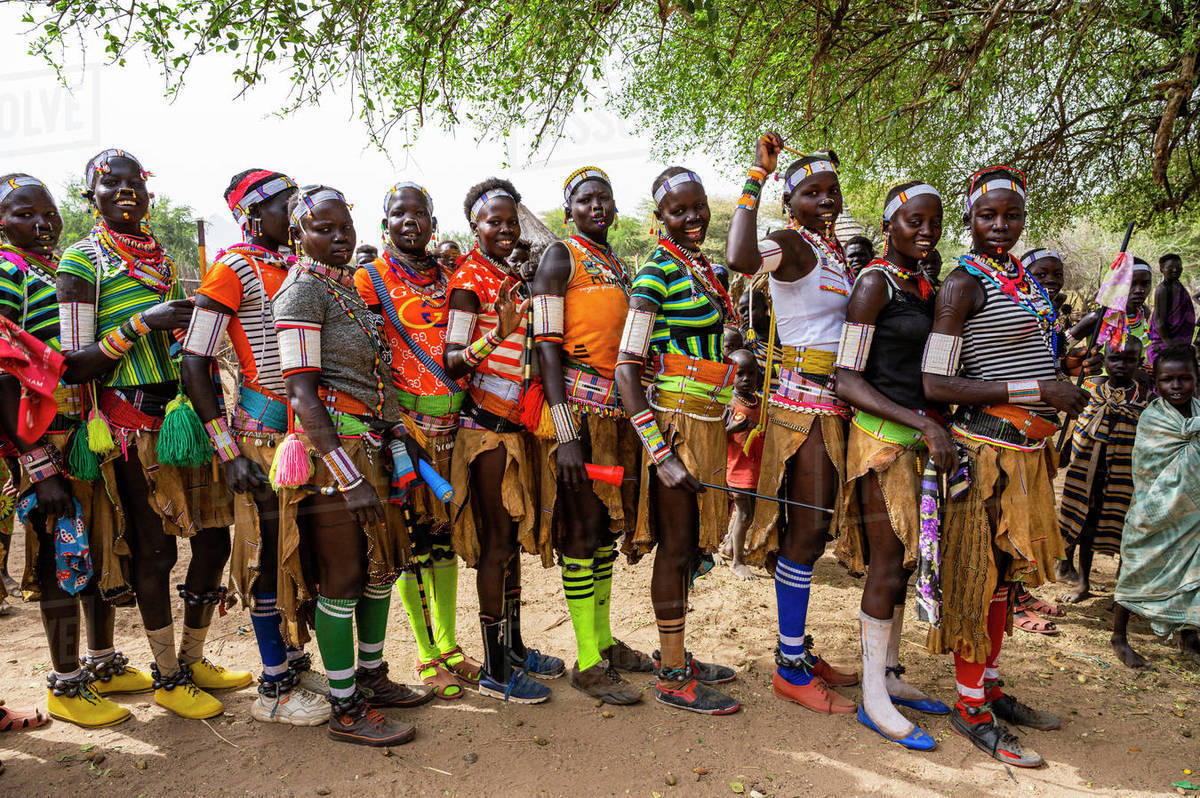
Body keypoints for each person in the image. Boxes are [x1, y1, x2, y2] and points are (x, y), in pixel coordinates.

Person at [57, 149, 250, 720]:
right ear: (90, 193)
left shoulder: (159, 257)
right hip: (129, 427)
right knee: (156, 549)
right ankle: (166, 676)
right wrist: (146, 323)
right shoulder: (81, 260)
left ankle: (193, 660)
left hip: (183, 418)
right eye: (109, 183)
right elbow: (73, 364)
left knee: (214, 539)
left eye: (133, 182)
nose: (124, 191)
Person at [921, 165, 1088, 768]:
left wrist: (1062, 369)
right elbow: (935, 381)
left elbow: (1025, 349)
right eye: (987, 215)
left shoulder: (1026, 279)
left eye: (1011, 215)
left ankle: (988, 689)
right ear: (969, 218)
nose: (999, 226)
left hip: (1025, 454)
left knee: (1006, 580)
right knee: (977, 578)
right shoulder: (961, 284)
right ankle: (970, 710)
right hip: (982, 452)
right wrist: (1035, 390)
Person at [272, 184, 433, 746]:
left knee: (379, 572)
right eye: (325, 229)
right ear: (300, 235)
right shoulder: (300, 292)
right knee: (341, 580)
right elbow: (301, 394)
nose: (340, 237)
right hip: (332, 453)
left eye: (345, 228)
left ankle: (372, 678)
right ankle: (345, 708)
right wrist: (350, 476)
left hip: (369, 442)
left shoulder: (344, 290)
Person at [0, 173, 152, 728]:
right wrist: (38, 467)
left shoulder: (48, 266)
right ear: (1, 222)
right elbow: (4, 373)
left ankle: (101, 662)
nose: (42, 224)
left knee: (91, 545)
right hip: (39, 439)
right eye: (24, 215)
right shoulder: (7, 270)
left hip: (81, 432)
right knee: (56, 554)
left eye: (48, 214)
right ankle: (65, 682)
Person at [179, 169, 329, 726]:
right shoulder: (232, 269)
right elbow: (196, 359)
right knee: (266, 555)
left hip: (306, 436)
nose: (296, 217)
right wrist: (227, 450)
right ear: (253, 215)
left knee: (300, 552)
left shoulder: (301, 266)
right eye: (286, 206)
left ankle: (292, 658)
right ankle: (273, 687)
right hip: (263, 440)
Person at [725, 133, 859, 716]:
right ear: (791, 201)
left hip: (837, 407)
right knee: (804, 534)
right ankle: (787, 667)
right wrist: (756, 177)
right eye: (811, 192)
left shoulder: (833, 253)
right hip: (803, 410)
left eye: (831, 190)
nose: (825, 199)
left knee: (816, 531)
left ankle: (800, 650)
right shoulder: (788, 243)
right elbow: (739, 259)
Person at [613, 166, 739, 715]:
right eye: (679, 210)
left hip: (709, 420)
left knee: (690, 545)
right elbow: (626, 370)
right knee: (676, 545)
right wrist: (660, 455)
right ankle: (670, 674)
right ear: (659, 217)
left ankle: (678, 656)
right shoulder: (655, 274)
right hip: (677, 423)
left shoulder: (704, 269)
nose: (692, 217)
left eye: (699, 207)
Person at [833, 180, 953, 751]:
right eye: (914, 223)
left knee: (904, 562)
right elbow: (847, 377)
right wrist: (925, 422)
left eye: (934, 223)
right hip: (882, 441)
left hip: (922, 439)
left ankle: (890, 675)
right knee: (885, 562)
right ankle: (872, 700)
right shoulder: (873, 285)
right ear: (889, 227)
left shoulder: (928, 284)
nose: (926, 231)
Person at [353, 180, 482, 700]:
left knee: (445, 536)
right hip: (403, 431)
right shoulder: (370, 280)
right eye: (399, 214)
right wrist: (386, 427)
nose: (410, 222)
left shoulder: (451, 276)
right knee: (412, 540)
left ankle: (450, 644)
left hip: (455, 426)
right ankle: (428, 655)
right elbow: (367, 356)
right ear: (385, 224)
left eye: (420, 214)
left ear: (433, 222)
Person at [530, 166, 650, 705]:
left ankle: (602, 640)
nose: (597, 207)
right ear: (569, 210)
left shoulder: (616, 264)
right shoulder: (562, 257)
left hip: (613, 417)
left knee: (602, 529)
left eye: (605, 198)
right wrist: (564, 432)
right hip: (575, 416)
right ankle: (585, 660)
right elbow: (545, 348)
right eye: (585, 200)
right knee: (580, 529)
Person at [444, 178, 561, 704]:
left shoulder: (509, 274)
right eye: (495, 222)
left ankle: (513, 647)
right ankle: (494, 669)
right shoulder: (469, 280)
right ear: (475, 225)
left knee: (510, 542)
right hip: (485, 433)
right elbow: (453, 360)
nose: (506, 230)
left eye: (512, 222)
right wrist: (499, 332)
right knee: (495, 545)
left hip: (517, 429)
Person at [1112, 345, 1200, 667]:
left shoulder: (1199, 415)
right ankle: (1119, 636)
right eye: (1167, 380)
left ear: (1196, 378)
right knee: (1135, 564)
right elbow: (1146, 468)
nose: (1176, 386)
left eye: (1184, 379)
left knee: (1193, 571)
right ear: (1155, 382)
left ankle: (1188, 634)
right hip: (1153, 511)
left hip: (1192, 515)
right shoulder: (1153, 419)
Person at [1056, 338, 1148, 605]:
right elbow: (1077, 426)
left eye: (1129, 359)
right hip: (1089, 474)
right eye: (1115, 358)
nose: (1121, 365)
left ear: (1139, 363)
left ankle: (1124, 588)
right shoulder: (1091, 390)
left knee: (1127, 527)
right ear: (1104, 361)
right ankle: (1083, 582)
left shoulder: (1144, 398)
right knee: (1086, 526)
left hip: (1126, 478)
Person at [721, 348, 762, 581]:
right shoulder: (730, 402)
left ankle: (730, 548)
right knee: (745, 513)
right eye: (740, 374)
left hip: (754, 466)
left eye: (751, 374)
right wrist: (733, 429)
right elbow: (718, 434)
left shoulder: (760, 401)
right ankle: (737, 562)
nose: (746, 379)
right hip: (737, 467)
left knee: (747, 514)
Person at [1148, 253, 1194, 363]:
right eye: (1170, 268)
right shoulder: (1163, 289)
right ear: (1162, 269)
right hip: (1168, 342)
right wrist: (1170, 346)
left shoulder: (1178, 285)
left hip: (1180, 341)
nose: (1175, 270)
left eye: (1178, 267)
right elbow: (1159, 320)